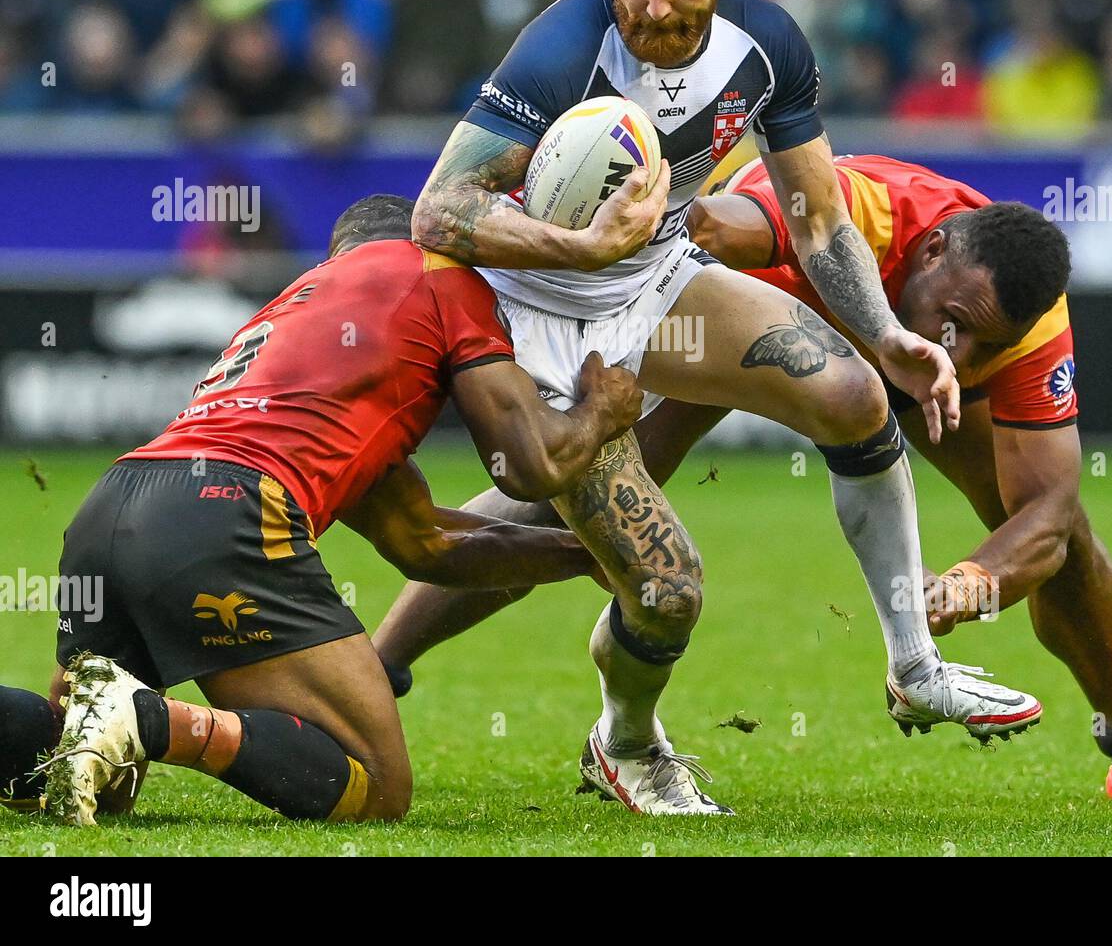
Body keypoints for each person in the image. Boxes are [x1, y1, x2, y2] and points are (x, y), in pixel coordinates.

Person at [401, 0, 1039, 815]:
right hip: (537, 319)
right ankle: (623, 740)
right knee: (663, 588)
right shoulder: (563, 48)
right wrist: (577, 244)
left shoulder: (768, 45)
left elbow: (819, 223)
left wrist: (888, 339)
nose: (653, 7)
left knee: (857, 398)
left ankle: (914, 661)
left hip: (654, 284)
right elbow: (437, 211)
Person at [382, 154, 1112, 805]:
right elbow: (722, 223)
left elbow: (1047, 514)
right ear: (930, 247)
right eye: (955, 322)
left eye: (983, 342)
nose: (963, 352)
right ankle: (376, 671)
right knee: (580, 489)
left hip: (884, 373)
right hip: (735, 307)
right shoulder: (859, 210)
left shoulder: (1015, 321)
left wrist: (966, 587)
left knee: (1062, 533)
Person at [0, 195, 643, 826]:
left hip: (114, 507)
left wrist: (580, 557)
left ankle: (127, 718)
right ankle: (153, 719)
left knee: (77, 762)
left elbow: (425, 541)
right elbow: (530, 467)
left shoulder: (298, 309)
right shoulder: (441, 274)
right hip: (221, 513)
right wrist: (600, 413)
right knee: (376, 785)